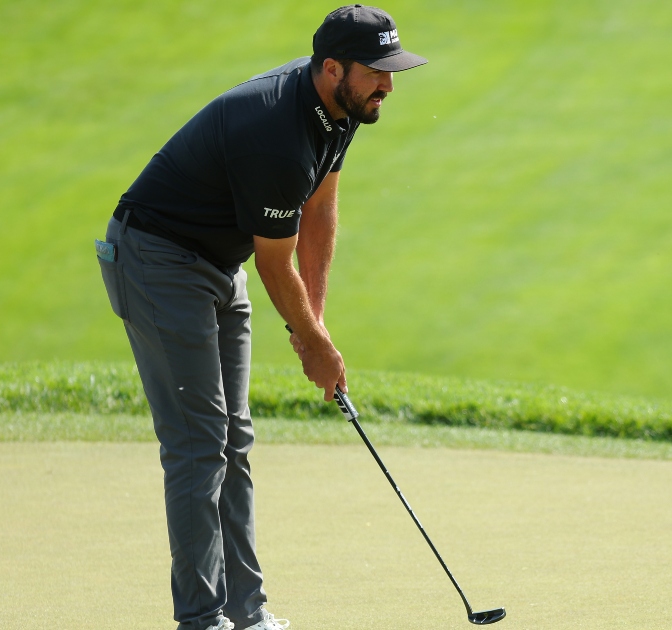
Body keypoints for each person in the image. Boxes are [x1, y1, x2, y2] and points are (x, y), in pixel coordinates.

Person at [93, 6, 427, 629]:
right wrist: (315, 344)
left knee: (234, 443)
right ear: (333, 68)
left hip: (217, 264)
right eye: (378, 73)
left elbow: (321, 209)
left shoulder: (343, 109)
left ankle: (249, 614)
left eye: (392, 71)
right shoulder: (275, 134)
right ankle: (202, 620)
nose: (389, 85)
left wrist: (315, 327)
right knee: (199, 445)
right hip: (156, 258)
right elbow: (276, 265)